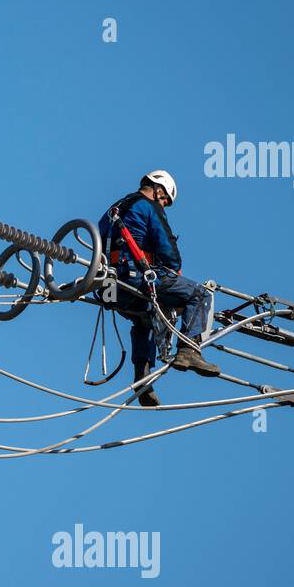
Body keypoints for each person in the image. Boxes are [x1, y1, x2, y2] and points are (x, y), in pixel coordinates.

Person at [97, 170, 219, 408]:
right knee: (200, 294)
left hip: (109, 288)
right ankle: (189, 350)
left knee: (146, 318)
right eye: (165, 200)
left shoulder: (113, 210)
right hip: (136, 278)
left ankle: (142, 380)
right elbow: (168, 249)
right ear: (158, 189)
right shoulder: (148, 207)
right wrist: (173, 269)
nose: (164, 204)